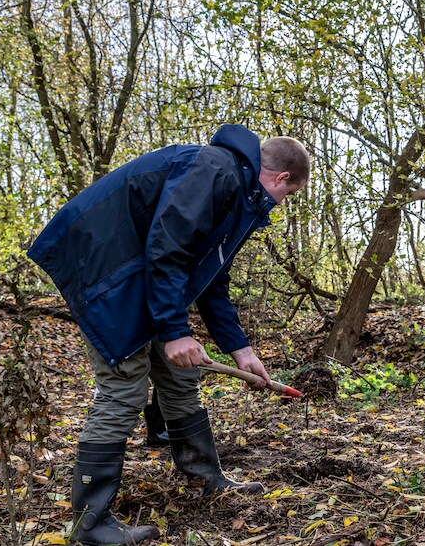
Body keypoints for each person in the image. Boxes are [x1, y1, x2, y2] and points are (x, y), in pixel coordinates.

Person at [27, 124, 309, 545]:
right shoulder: (214, 169)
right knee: (124, 386)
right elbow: (167, 246)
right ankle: (90, 523)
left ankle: (205, 475)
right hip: (107, 272)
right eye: (286, 195)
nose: (279, 203)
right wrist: (175, 331)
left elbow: (211, 279)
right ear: (281, 178)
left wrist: (240, 349)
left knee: (180, 377)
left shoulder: (235, 189)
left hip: (143, 277)